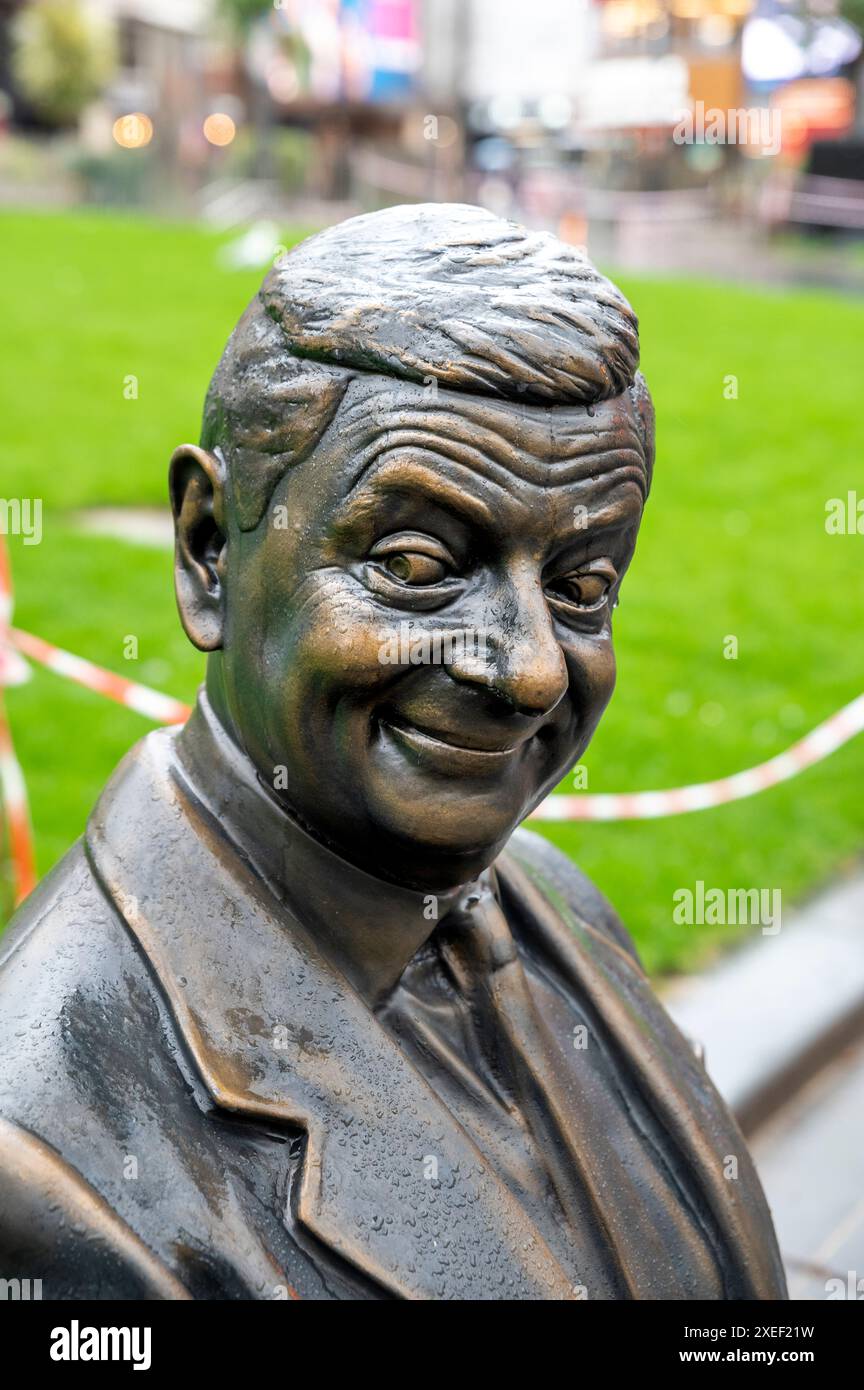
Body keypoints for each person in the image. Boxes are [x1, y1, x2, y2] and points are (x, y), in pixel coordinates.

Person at [0, 204, 786, 1300]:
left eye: (582, 587)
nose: (527, 672)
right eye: (418, 565)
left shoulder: (550, 902)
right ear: (207, 550)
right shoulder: (45, 1164)